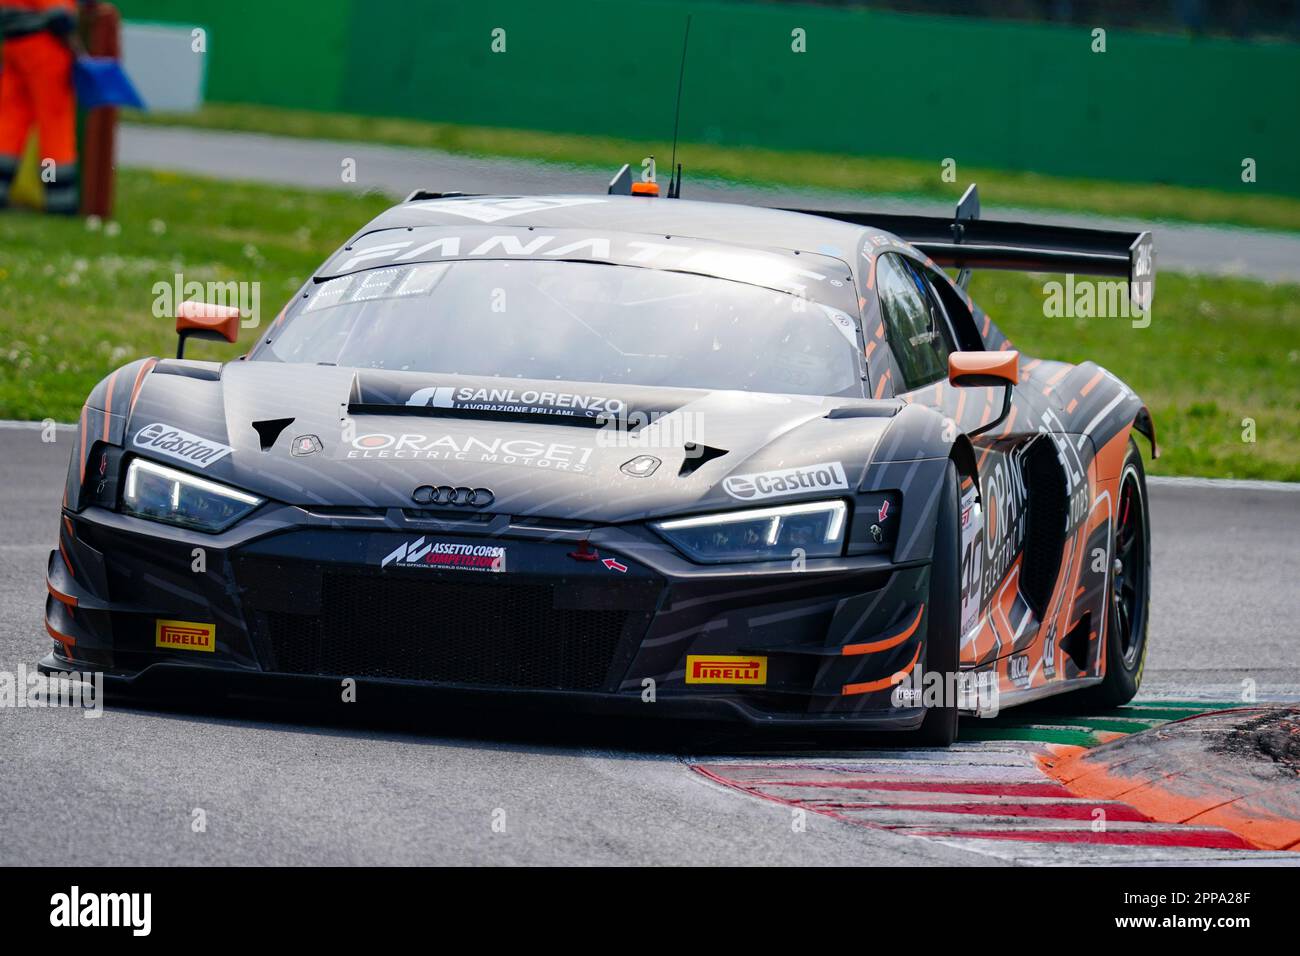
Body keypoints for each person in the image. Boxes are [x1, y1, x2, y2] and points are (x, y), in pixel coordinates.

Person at [0, 0, 79, 214]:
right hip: (45, 46)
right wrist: (76, 47)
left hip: (13, 42)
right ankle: (57, 198)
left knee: (9, 123)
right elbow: (58, 14)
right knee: (54, 128)